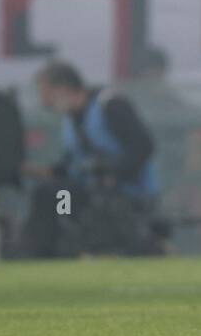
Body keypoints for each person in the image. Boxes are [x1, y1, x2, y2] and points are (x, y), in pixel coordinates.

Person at [20, 60, 163, 258]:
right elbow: (71, 165)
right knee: (51, 193)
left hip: (125, 193)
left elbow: (143, 147)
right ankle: (45, 249)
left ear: (63, 89)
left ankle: (42, 252)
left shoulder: (111, 106)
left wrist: (112, 172)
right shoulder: (72, 119)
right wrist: (35, 171)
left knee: (53, 194)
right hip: (87, 193)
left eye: (47, 94)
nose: (45, 103)